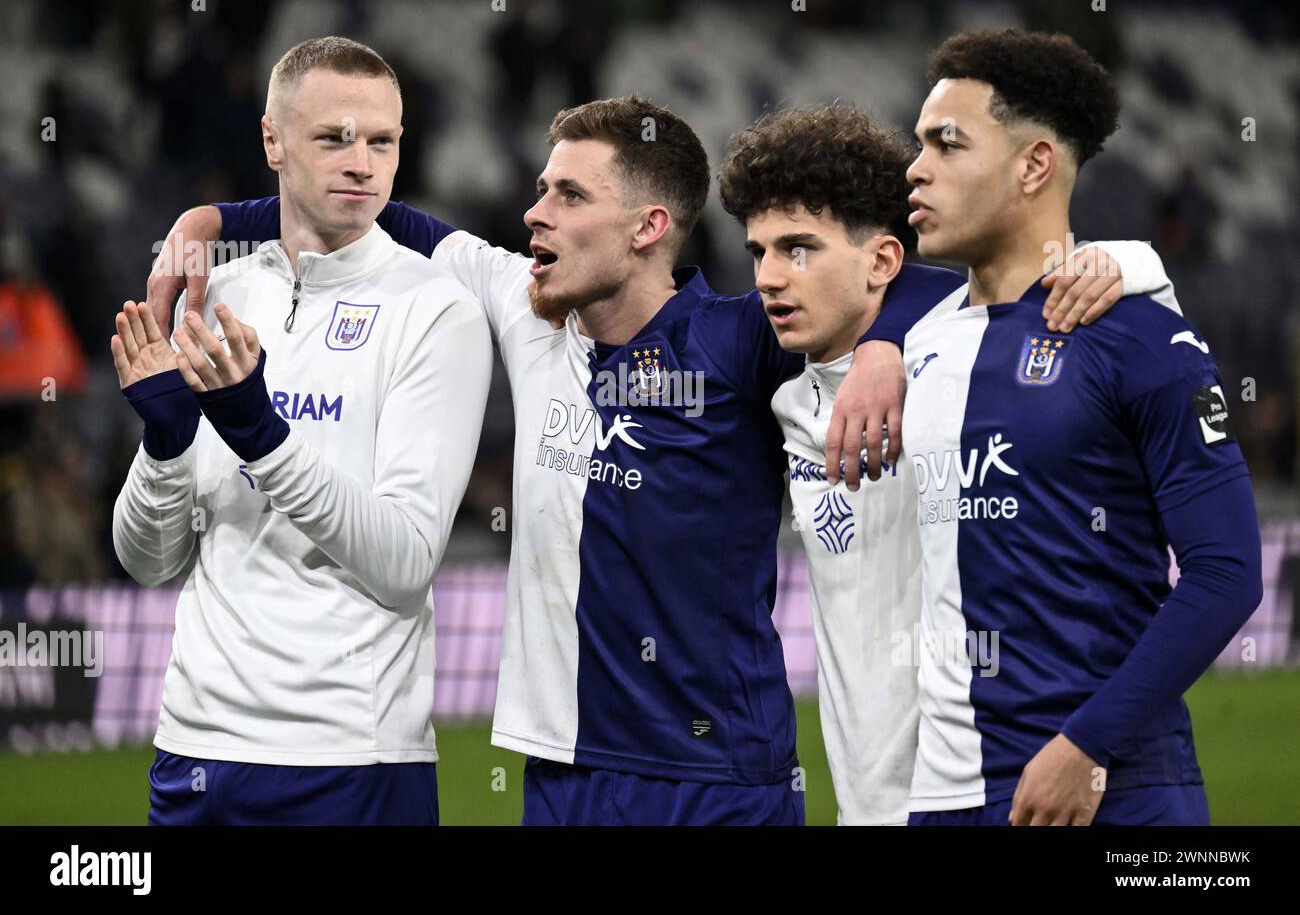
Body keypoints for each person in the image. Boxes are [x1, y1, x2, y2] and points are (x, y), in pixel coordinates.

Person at [147, 90, 1151, 826]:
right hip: (563, 774)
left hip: (723, 780)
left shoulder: (741, 335)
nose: (532, 213)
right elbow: (381, 219)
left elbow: (939, 282)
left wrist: (884, 342)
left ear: (646, 227)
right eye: (539, 190)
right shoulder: (521, 307)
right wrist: (211, 222)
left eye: (567, 195)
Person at [719, 102, 1176, 824]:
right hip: (864, 800)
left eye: (798, 248)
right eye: (758, 251)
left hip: (986, 786)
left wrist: (1128, 258)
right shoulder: (773, 383)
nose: (770, 276)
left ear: (882, 260)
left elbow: (1031, 288)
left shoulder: (958, 352)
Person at [866, 28, 1261, 825]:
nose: (915, 168)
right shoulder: (919, 339)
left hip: (1110, 786)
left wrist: (1087, 744)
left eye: (947, 143)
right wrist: (877, 347)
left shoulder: (1141, 337)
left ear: (1034, 164)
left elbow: (1226, 574)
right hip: (943, 798)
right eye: (918, 145)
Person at [112, 36, 492, 824]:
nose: (363, 162)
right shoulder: (215, 297)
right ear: (272, 141)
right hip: (195, 751)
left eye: (383, 141)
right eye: (334, 138)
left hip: (351, 759)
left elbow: (403, 563)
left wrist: (263, 436)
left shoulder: (437, 310)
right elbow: (145, 562)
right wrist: (165, 445)